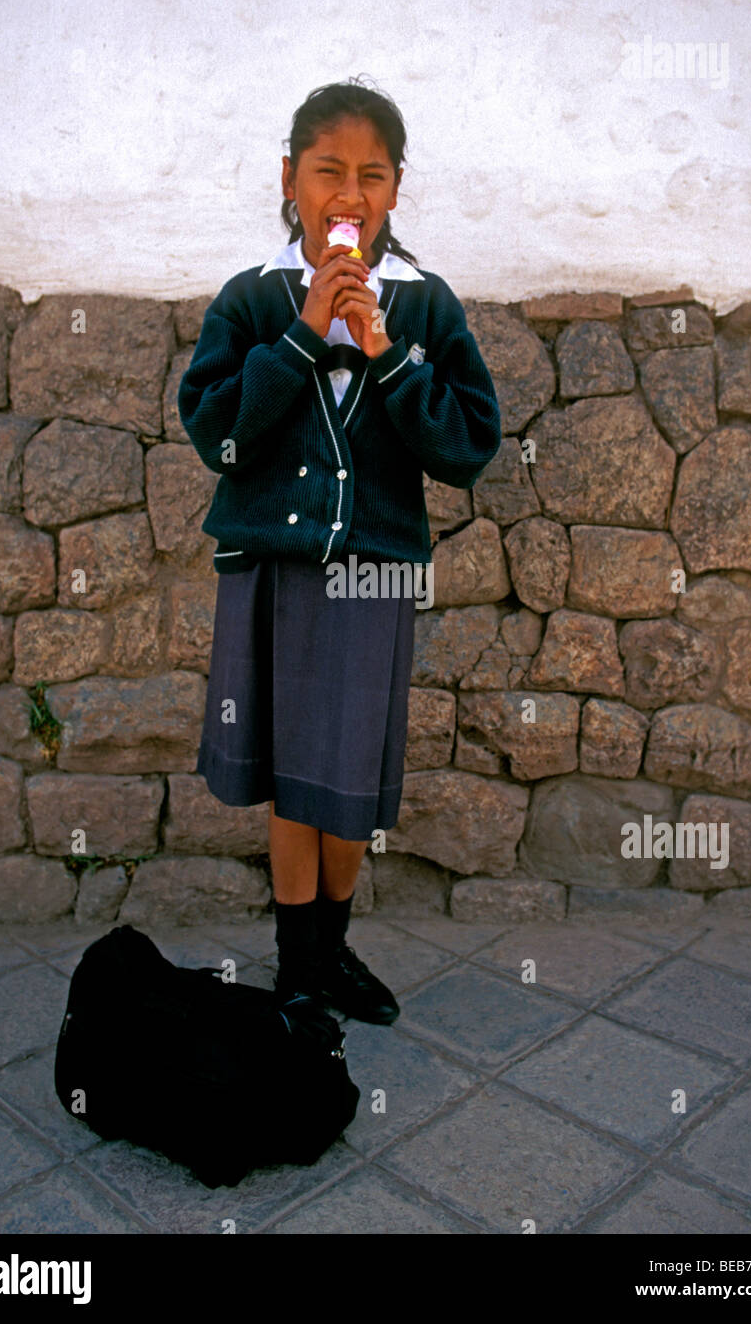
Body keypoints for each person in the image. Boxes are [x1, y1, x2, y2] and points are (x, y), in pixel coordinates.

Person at [178, 77, 500, 1027]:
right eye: (328, 172)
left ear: (396, 190)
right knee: (290, 775)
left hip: (372, 572)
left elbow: (466, 448)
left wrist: (390, 354)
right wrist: (304, 333)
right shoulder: (252, 300)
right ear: (291, 179)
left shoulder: (427, 307)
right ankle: (298, 966)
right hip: (273, 571)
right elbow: (219, 431)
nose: (348, 195)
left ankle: (334, 948)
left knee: (345, 776)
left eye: (371, 175)